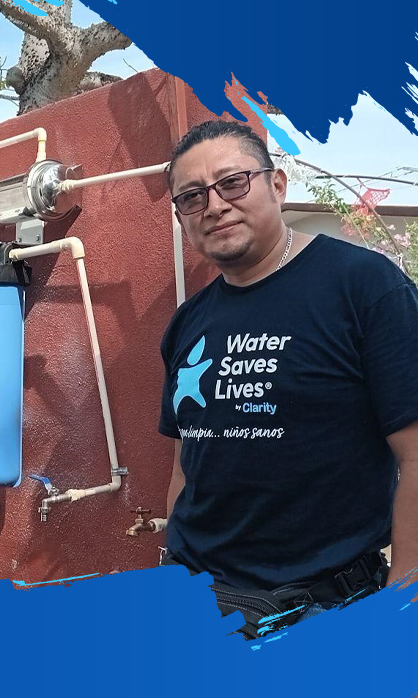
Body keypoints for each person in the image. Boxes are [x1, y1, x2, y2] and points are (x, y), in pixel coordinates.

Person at [159, 119, 418, 637]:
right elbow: (186, 465)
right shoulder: (189, 322)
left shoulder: (363, 286)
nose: (214, 206)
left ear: (277, 185)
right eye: (192, 197)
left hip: (319, 611)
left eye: (233, 182)